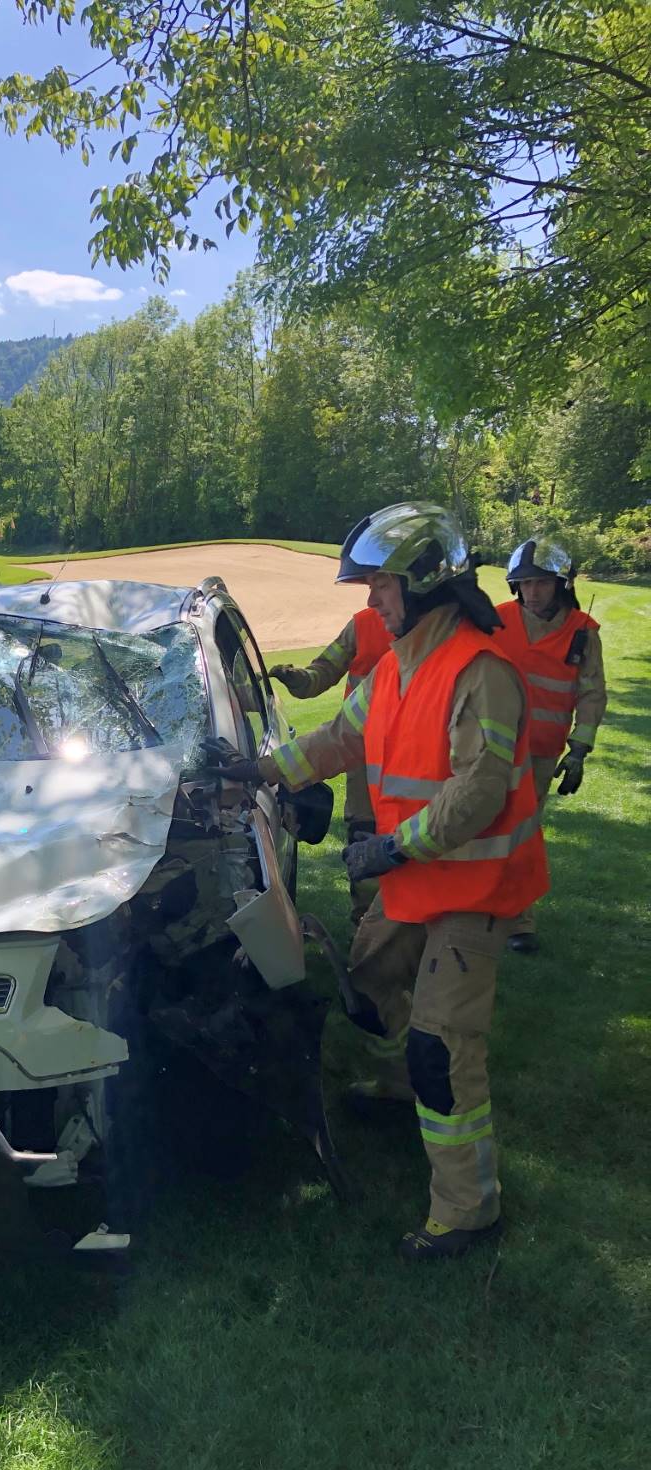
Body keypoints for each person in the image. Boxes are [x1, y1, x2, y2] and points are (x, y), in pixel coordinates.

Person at [207, 503, 547, 1262]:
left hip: (476, 891)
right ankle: (401, 1093)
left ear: (427, 584)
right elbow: (338, 739)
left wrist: (393, 848)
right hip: (422, 879)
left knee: (439, 1045)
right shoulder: (397, 665)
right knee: (363, 988)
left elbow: (480, 792)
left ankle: (468, 1211)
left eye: (383, 587)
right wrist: (260, 770)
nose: (370, 602)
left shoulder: (480, 673)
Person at [494, 539, 606, 954]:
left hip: (541, 752)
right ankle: (473, 904)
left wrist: (579, 749)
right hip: (489, 745)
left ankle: (519, 919)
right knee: (476, 822)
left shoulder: (583, 633)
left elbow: (592, 693)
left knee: (522, 831)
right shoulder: (495, 620)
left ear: (560, 584)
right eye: (525, 583)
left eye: (541, 583)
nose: (533, 592)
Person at [270, 605, 391, 921]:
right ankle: (365, 917)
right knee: (365, 830)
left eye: (382, 582)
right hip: (361, 749)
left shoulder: (438, 629)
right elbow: (323, 672)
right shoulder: (362, 624)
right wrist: (298, 678)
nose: (373, 595)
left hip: (412, 751)